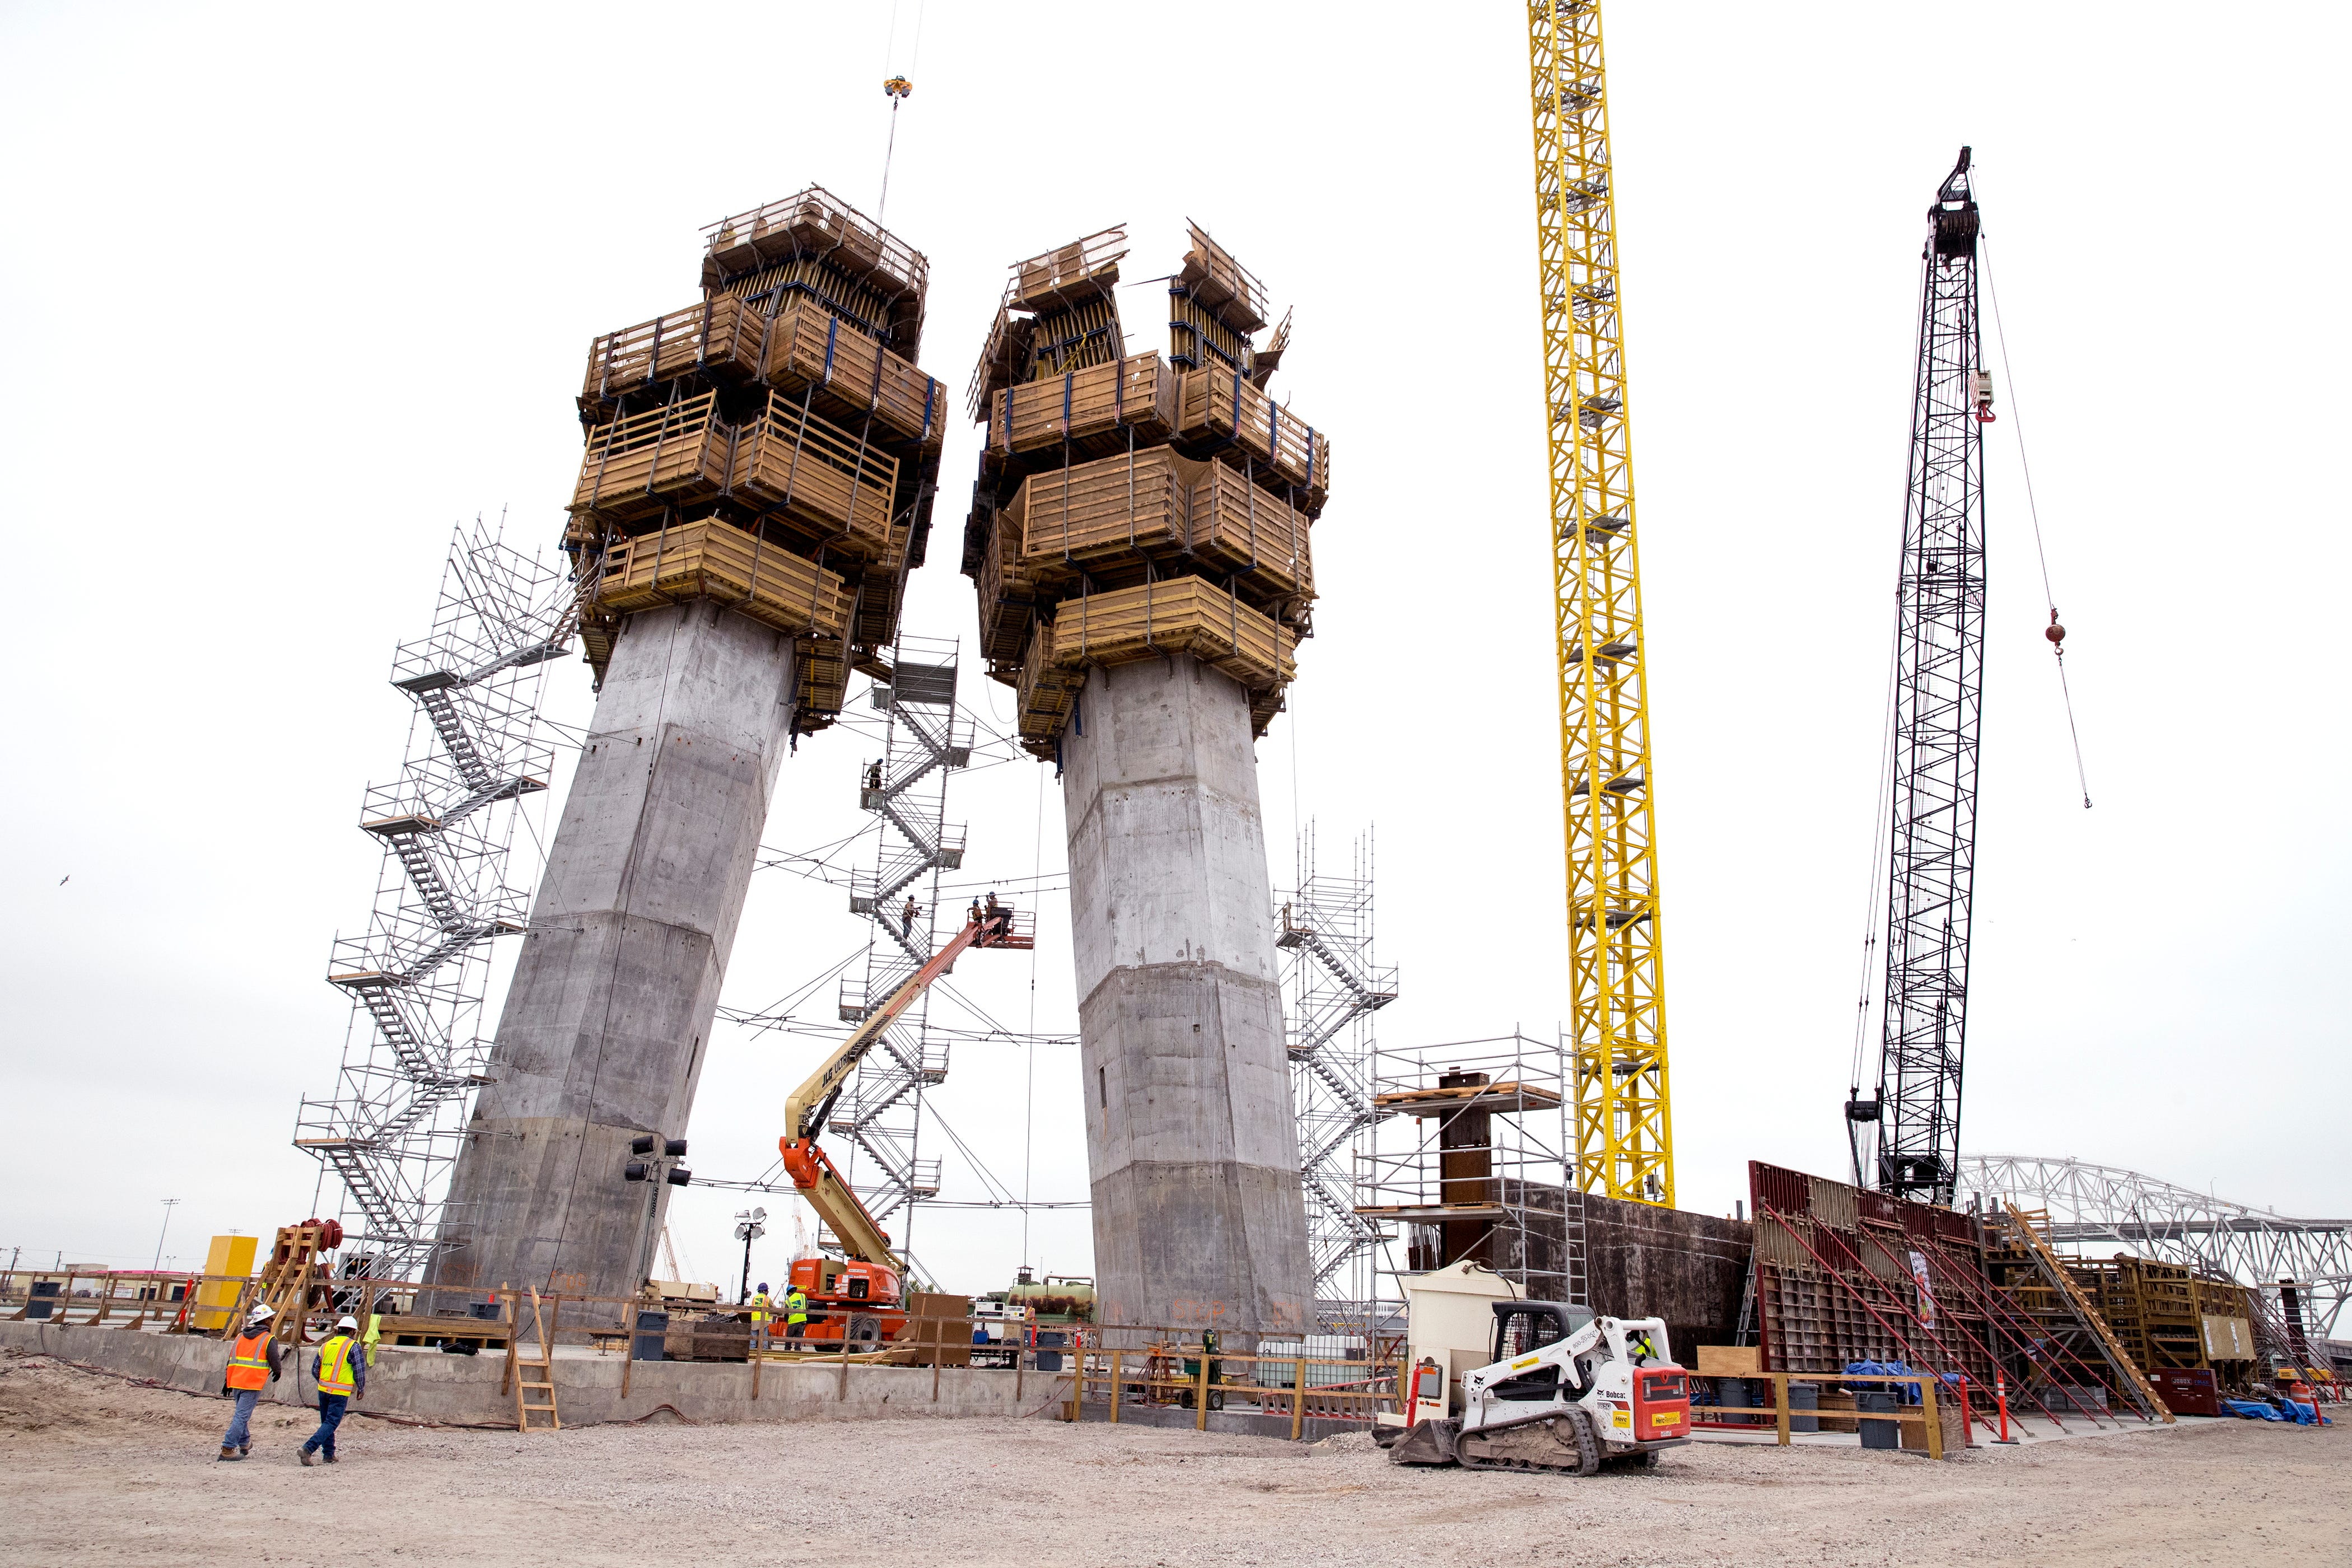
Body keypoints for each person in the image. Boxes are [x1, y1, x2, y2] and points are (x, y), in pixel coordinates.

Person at [298, 1315, 366, 1466]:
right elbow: (359, 1370)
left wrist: (324, 1382)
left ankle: (329, 1454)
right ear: (352, 1332)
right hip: (340, 1392)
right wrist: (361, 1387)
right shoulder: (353, 1346)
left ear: (338, 1330)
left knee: (326, 1423)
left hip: (323, 1390)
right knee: (331, 1423)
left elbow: (315, 1369)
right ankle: (308, 1448)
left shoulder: (326, 1345)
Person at [218, 1305, 282, 1461]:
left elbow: (232, 1359)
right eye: (272, 1319)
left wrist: (228, 1381)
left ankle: (245, 1442)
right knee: (241, 1416)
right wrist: (278, 1372)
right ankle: (228, 1448)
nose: (273, 1322)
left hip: (237, 1381)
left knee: (241, 1414)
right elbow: (275, 1360)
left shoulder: (240, 1336)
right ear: (266, 1321)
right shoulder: (268, 1339)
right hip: (252, 1383)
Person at [783, 1282, 809, 1349]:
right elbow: (807, 1306)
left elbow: (786, 1312)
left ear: (789, 1293)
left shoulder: (788, 1300)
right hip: (802, 1321)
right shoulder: (802, 1296)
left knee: (789, 1340)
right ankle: (797, 1352)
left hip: (793, 1322)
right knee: (799, 1340)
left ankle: (787, 1352)